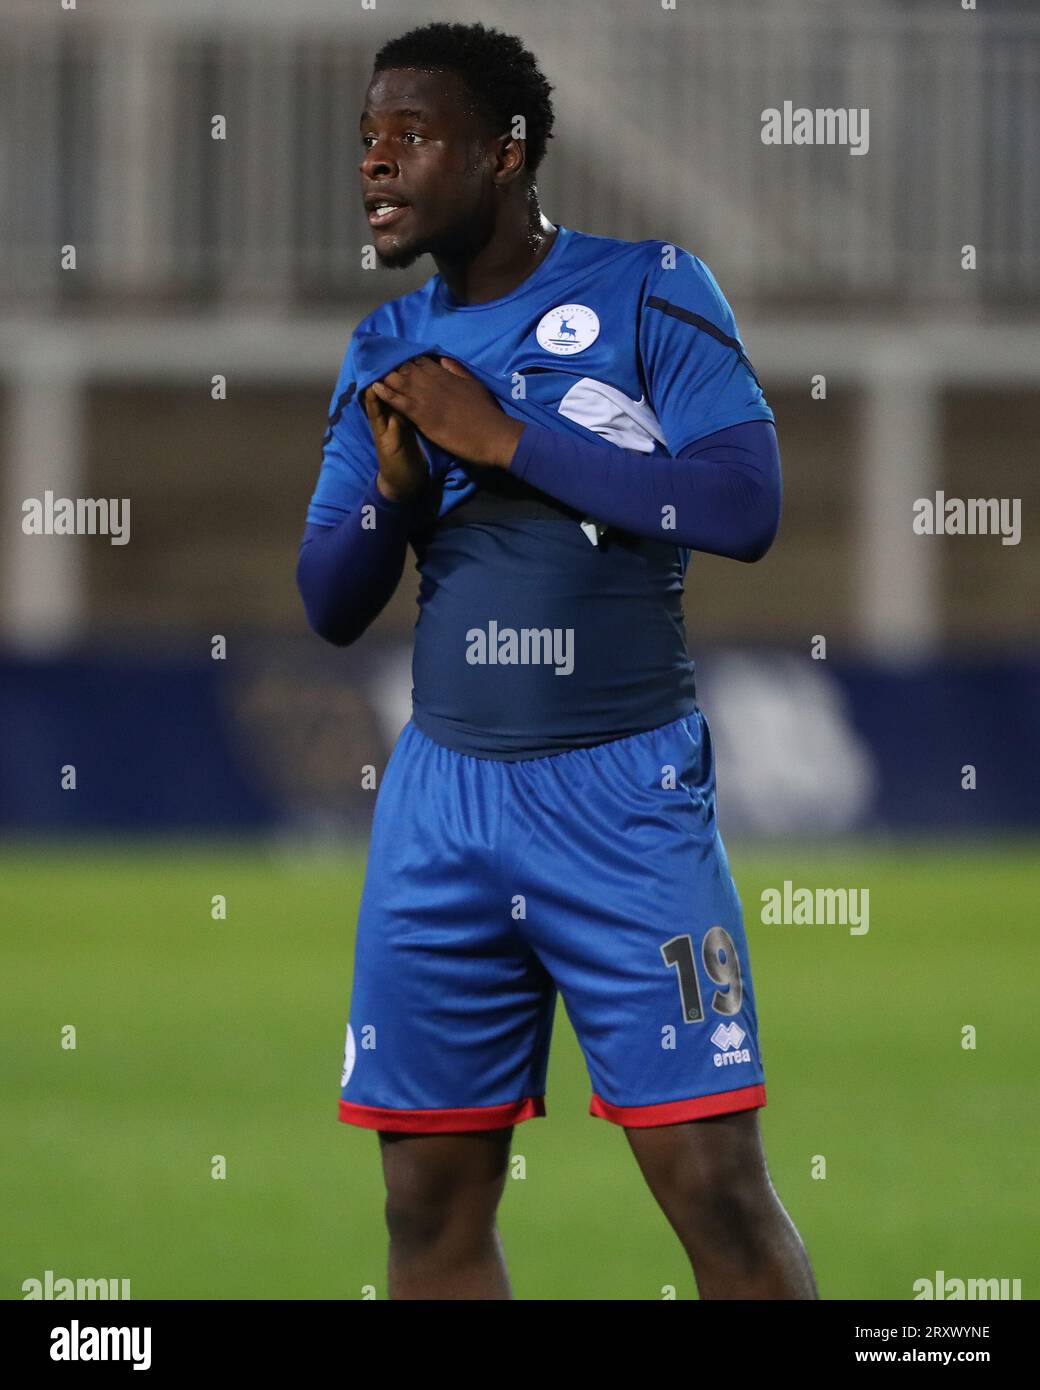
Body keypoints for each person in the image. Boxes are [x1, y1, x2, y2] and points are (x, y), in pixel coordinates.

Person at [297, 20, 817, 1301]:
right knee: (424, 1203)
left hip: (620, 795)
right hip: (441, 803)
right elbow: (328, 599)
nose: (377, 164)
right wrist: (399, 499)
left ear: (506, 152)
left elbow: (743, 507)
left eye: (410, 137)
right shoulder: (384, 348)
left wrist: (509, 439)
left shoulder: (651, 287)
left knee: (712, 1185)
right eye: (367, 139)